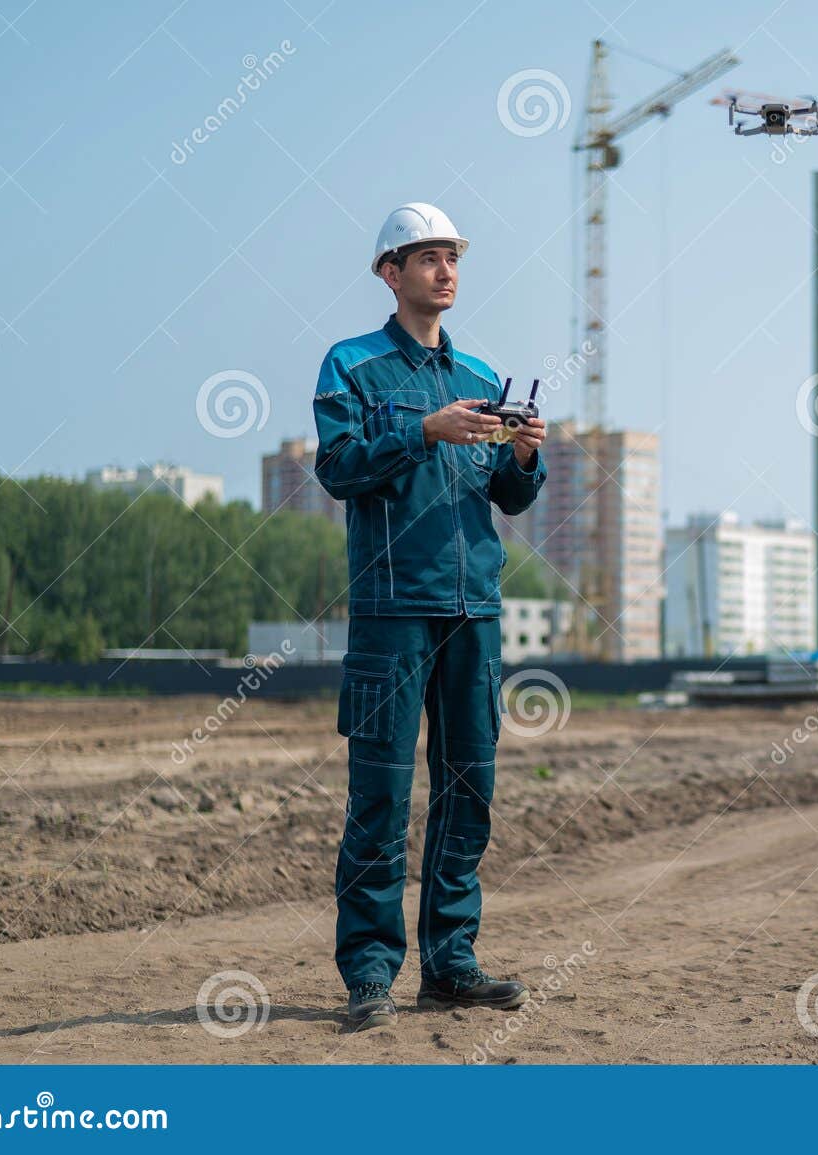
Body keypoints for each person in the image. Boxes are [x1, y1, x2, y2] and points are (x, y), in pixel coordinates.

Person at [312, 202, 548, 1032]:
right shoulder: (352, 365)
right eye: (428, 258)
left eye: (453, 257)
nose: (446, 271)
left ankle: (450, 964)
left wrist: (524, 456)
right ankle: (370, 971)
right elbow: (338, 468)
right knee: (379, 792)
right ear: (390, 271)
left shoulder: (480, 377)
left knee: (469, 788)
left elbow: (507, 496)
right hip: (390, 608)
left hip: (472, 608)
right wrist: (422, 430)